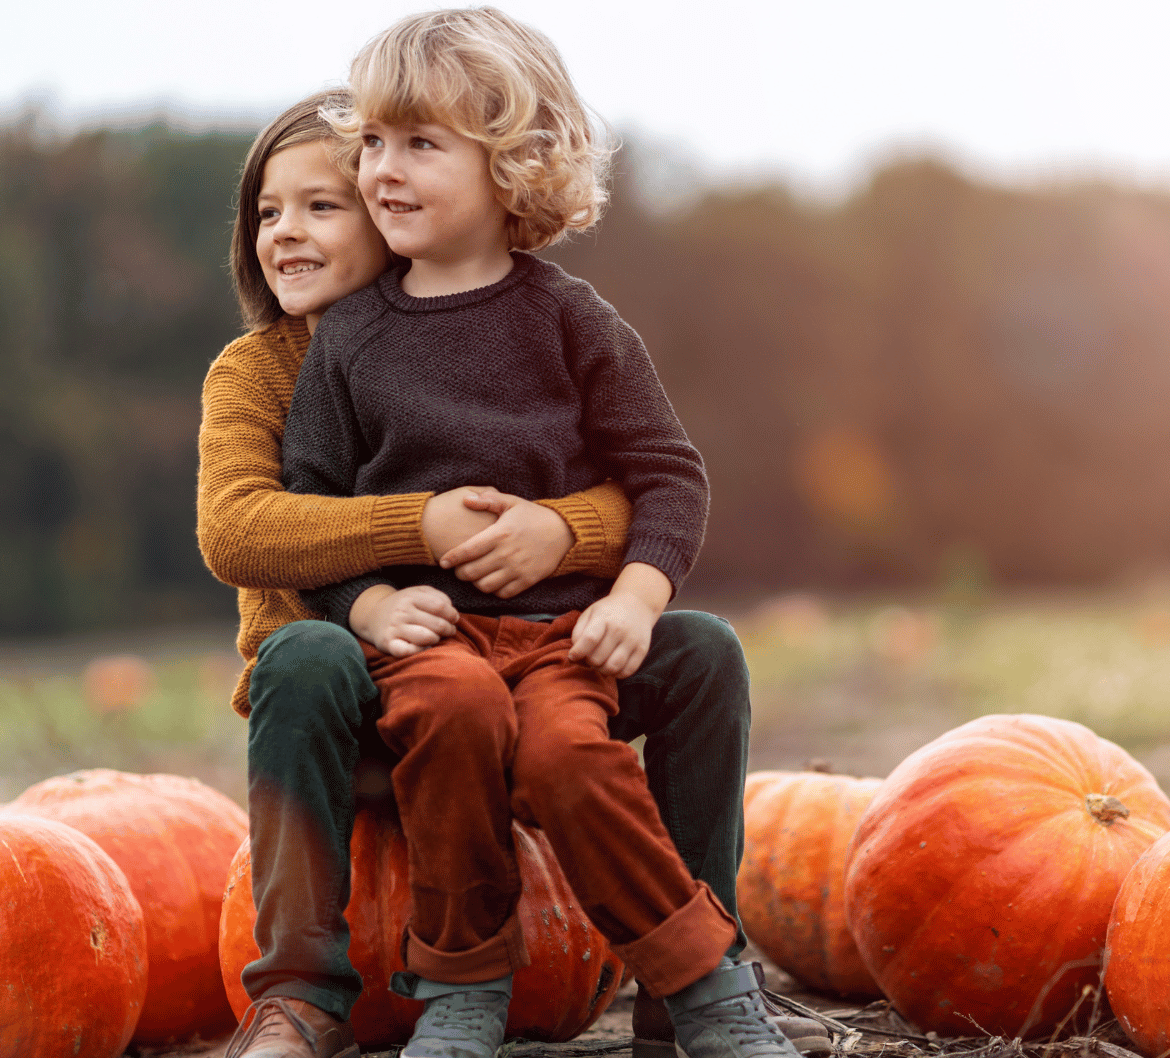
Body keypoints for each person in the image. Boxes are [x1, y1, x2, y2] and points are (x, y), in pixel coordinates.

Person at [196, 92, 773, 1058]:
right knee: (307, 654)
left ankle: (703, 988)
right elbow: (240, 528)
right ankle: (300, 995)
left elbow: (641, 482)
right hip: (360, 700)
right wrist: (402, 546)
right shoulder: (263, 370)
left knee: (703, 650)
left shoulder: (526, 323)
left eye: (322, 206)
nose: (286, 233)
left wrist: (560, 531)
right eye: (266, 211)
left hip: (536, 667)